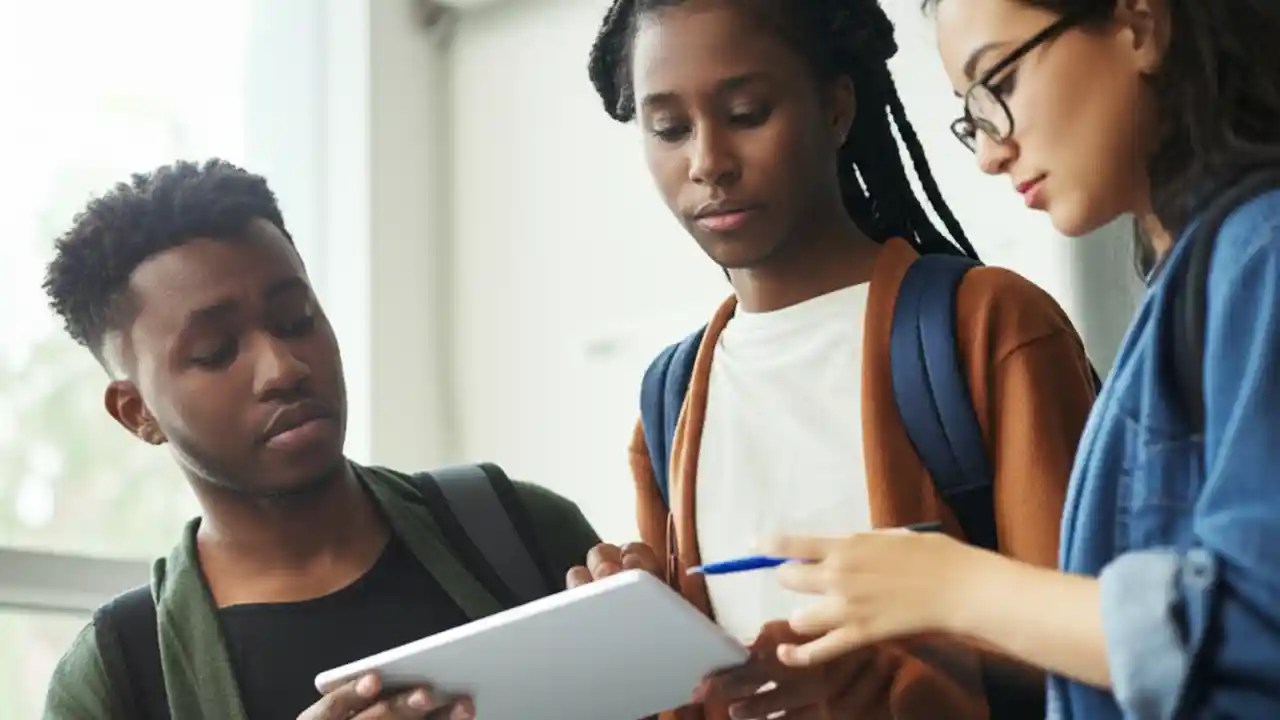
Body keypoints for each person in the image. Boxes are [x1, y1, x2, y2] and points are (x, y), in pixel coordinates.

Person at [569, 1, 1098, 718]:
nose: (707, 163)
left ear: (836, 109)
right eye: (668, 129)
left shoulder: (985, 327)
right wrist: (644, 635)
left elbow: (1097, 656)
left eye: (748, 112)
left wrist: (878, 685)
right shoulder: (672, 400)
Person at [766, 0, 1280, 717]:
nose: (988, 152)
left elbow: (1257, 633)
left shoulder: (1259, 257)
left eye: (998, 83)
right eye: (969, 112)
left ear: (1139, 23)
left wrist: (960, 586)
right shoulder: (1195, 279)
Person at [40, 159, 600, 720]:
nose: (283, 368)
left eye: (296, 319)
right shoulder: (118, 678)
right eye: (215, 352)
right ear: (137, 412)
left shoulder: (518, 531)